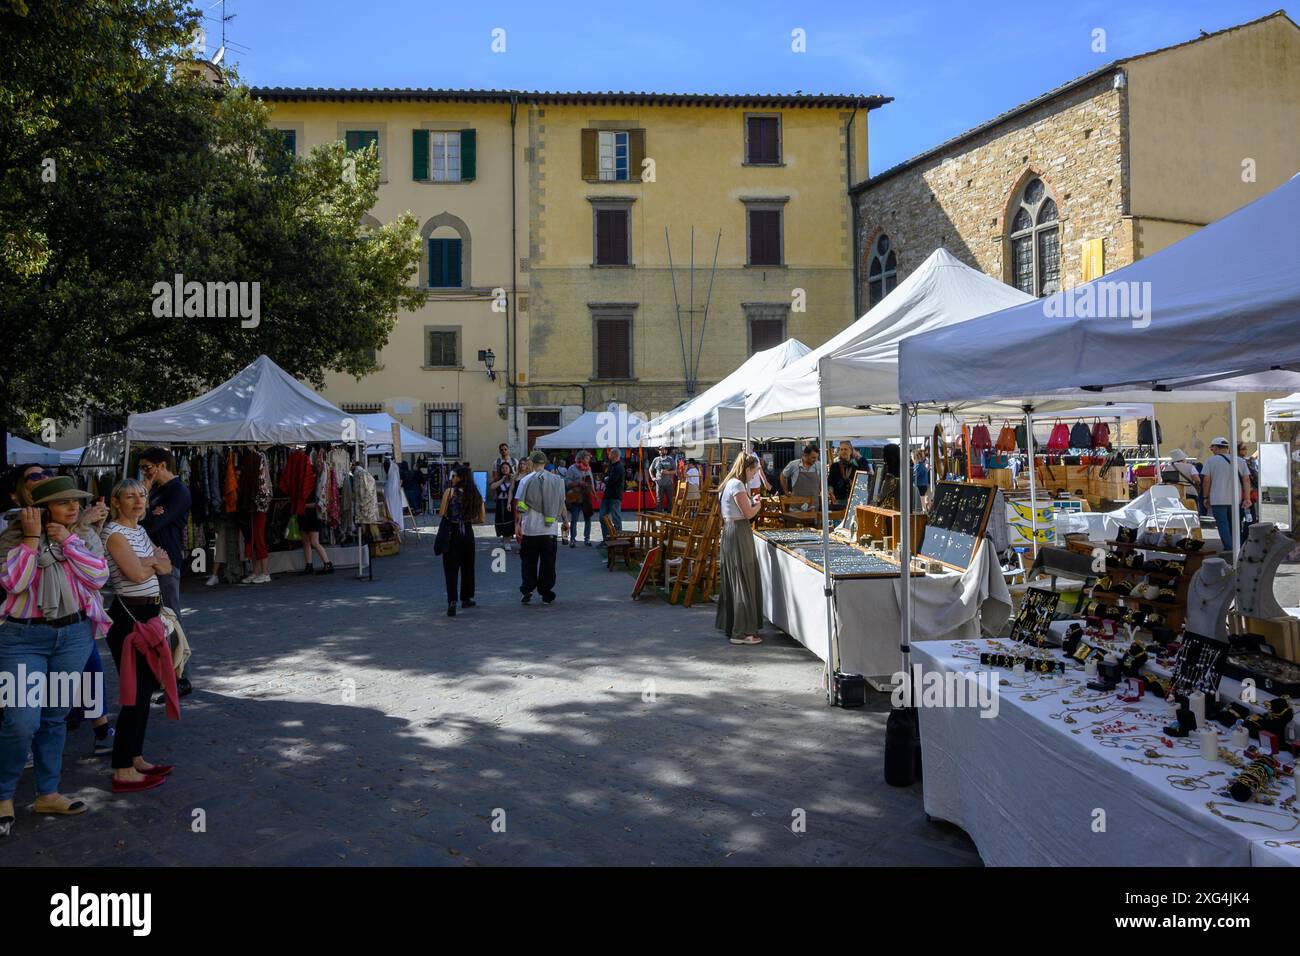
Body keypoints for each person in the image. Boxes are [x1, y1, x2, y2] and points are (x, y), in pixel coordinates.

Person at [0, 475, 108, 834]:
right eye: (64, 502)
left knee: (54, 717)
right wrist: (33, 539)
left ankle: (48, 791)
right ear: (42, 509)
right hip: (22, 638)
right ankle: (3, 795)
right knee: (20, 721)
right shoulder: (13, 538)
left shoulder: (81, 535)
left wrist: (70, 542)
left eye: (76, 501)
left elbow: (98, 576)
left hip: (73, 635)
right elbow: (15, 582)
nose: (74, 507)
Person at [101, 479, 178, 794]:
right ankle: (122, 768)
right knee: (134, 692)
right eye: (130, 496)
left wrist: (150, 563)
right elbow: (133, 574)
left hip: (149, 615)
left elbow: (167, 566)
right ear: (116, 502)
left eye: (142, 495)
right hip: (128, 617)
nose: (138, 501)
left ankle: (135, 756)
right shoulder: (114, 533)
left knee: (145, 689)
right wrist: (151, 563)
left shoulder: (141, 532)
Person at [138, 448, 193, 696]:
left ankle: (181, 677)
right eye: (141, 468)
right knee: (151, 618)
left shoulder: (178, 491)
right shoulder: (156, 491)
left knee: (171, 618)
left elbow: (151, 522)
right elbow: (140, 517)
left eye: (147, 467)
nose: (144, 473)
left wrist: (148, 512)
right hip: (147, 558)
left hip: (167, 560)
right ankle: (160, 675)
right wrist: (147, 504)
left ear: (161, 465)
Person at [715, 453, 764, 646]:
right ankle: (742, 632)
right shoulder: (736, 484)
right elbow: (748, 513)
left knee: (735, 579)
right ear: (748, 468)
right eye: (755, 471)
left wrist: (752, 501)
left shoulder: (730, 484)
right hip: (738, 531)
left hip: (730, 530)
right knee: (743, 579)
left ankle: (734, 626)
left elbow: (739, 508)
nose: (755, 475)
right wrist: (758, 504)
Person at [515, 450, 568, 605]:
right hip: (549, 530)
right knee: (548, 563)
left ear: (531, 463)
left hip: (530, 529)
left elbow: (520, 505)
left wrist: (517, 525)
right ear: (545, 463)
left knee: (528, 562)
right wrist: (565, 521)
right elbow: (562, 504)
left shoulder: (525, 480)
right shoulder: (557, 480)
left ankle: (528, 589)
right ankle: (546, 592)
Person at [438, 465, 485, 617]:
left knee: (451, 568)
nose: (452, 479)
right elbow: (482, 518)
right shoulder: (475, 494)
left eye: (454, 476)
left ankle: (452, 600)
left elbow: (441, 513)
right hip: (468, 532)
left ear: (460, 477)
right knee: (468, 566)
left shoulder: (450, 492)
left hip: (452, 532)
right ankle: (467, 598)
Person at [1201, 437, 1251, 556]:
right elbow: (1246, 480)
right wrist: (1247, 498)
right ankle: (1236, 547)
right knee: (1235, 524)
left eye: (1212, 447)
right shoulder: (1240, 461)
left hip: (1217, 498)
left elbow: (1206, 480)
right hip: (1236, 499)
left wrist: (1205, 497)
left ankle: (1229, 548)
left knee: (1222, 524)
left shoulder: (1210, 461)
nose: (1211, 450)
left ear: (1217, 447)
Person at [565, 451, 596, 548]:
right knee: (574, 519)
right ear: (581, 459)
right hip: (576, 497)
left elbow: (591, 482)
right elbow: (567, 482)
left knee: (588, 518)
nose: (589, 460)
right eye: (587, 458)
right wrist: (578, 483)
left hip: (586, 497)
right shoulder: (572, 468)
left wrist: (594, 493)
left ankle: (587, 539)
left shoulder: (588, 468)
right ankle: (573, 539)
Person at [298, 490, 333, 575]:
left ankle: (327, 564)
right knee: (306, 542)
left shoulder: (316, 487)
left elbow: (319, 504)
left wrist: (303, 505)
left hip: (313, 516)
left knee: (314, 542)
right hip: (303, 515)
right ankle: (309, 565)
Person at [1165, 450, 1205, 515]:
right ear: (1182, 459)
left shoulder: (1167, 468)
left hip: (1173, 493)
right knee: (1192, 511)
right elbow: (1197, 480)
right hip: (1189, 492)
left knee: (1177, 513)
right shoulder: (1190, 467)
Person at [598, 448, 626, 542]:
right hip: (607, 496)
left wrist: (606, 479)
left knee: (616, 519)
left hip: (615, 496)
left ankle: (618, 541)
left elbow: (610, 480)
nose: (608, 455)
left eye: (610, 454)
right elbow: (604, 477)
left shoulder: (619, 467)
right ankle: (606, 540)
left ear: (614, 455)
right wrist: (606, 479)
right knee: (602, 517)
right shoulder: (611, 465)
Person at [827, 441, 864, 509]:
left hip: (854, 500)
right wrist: (831, 494)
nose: (843, 451)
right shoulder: (834, 466)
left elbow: (862, 483)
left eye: (846, 449)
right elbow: (830, 482)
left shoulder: (858, 466)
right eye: (841, 449)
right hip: (838, 500)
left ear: (851, 451)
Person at [490, 461, 517, 550]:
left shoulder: (513, 478)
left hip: (509, 502)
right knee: (501, 521)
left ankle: (507, 542)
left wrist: (512, 478)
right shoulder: (498, 479)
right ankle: (505, 539)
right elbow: (492, 487)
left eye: (506, 468)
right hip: (500, 503)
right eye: (503, 468)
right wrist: (502, 480)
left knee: (509, 521)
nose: (504, 469)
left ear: (509, 469)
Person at [650, 447, 677, 512]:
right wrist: (652, 477)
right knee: (659, 500)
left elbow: (675, 471)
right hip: (659, 483)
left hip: (669, 483)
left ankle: (670, 514)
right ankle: (659, 514)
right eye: (661, 450)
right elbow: (650, 469)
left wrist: (668, 472)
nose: (662, 451)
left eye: (664, 450)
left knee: (670, 499)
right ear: (659, 451)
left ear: (666, 451)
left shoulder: (670, 459)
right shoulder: (656, 459)